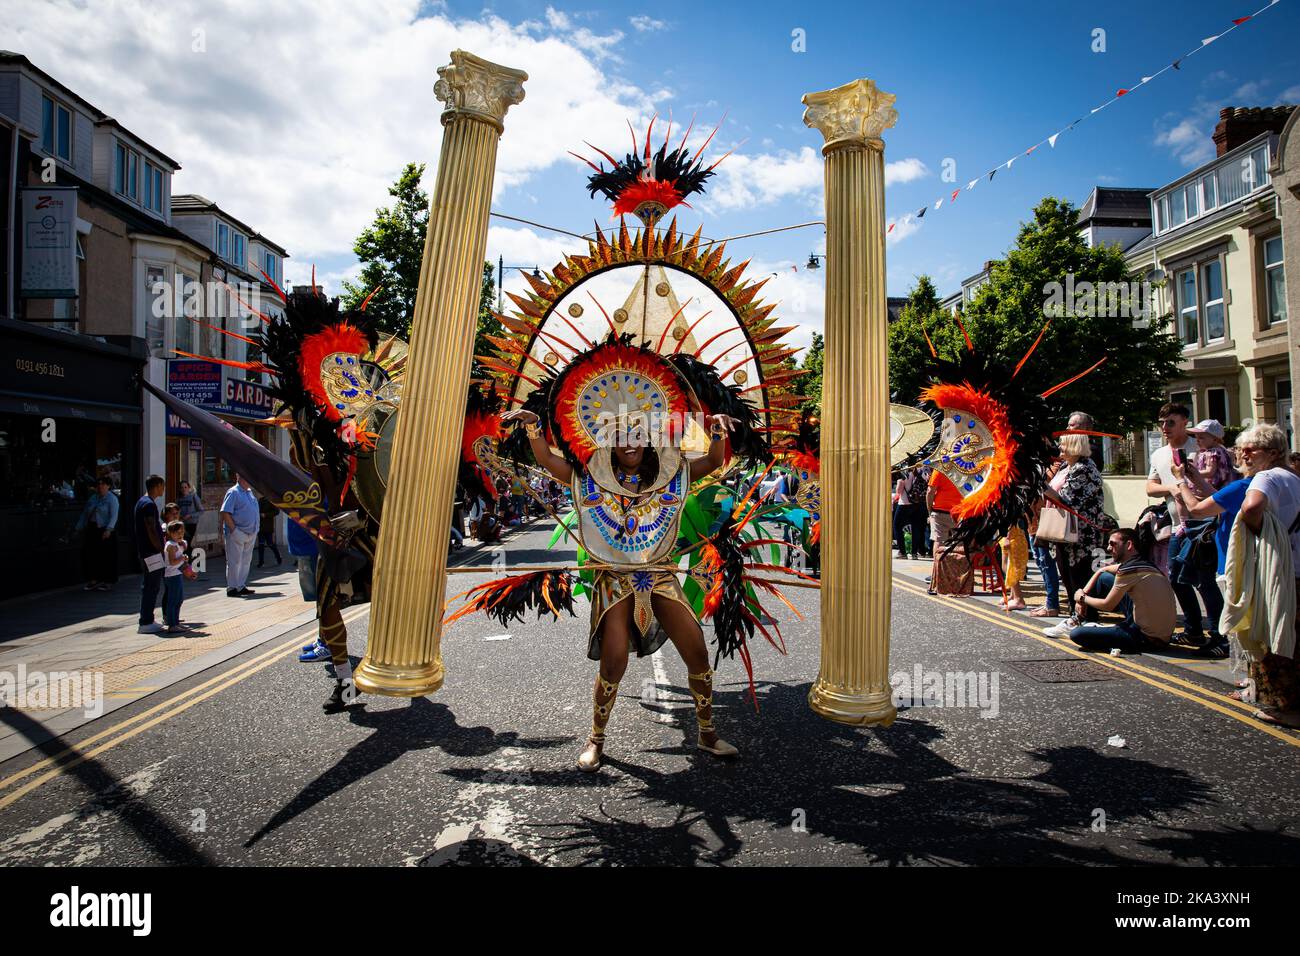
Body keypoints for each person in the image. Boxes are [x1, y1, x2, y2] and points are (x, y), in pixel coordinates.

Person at [502, 404, 742, 772]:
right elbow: (550, 461)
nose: (629, 445)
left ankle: (706, 733)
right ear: (611, 444)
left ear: (647, 442)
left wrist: (718, 431)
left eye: (636, 438)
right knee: (614, 661)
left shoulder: (670, 473)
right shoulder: (593, 476)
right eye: (621, 438)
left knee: (696, 650)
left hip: (658, 574)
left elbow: (711, 461)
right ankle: (595, 739)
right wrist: (535, 428)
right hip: (614, 577)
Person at [1177, 423, 1300, 724]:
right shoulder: (1294, 478)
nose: (1243, 453)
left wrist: (1254, 526)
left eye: (1251, 449)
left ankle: (1285, 708)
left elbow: (1252, 506)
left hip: (1273, 570)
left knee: (1267, 635)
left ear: (1273, 453)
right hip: (1295, 567)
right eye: (1242, 447)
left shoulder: (1265, 477)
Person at [1065, 528, 1175, 652]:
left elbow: (1108, 605)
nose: (1108, 548)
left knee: (1077, 634)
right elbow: (1102, 570)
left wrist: (1082, 598)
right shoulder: (1143, 563)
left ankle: (1088, 622)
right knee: (1104, 578)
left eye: (1113, 544)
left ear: (1128, 545)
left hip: (1147, 638)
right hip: (1161, 634)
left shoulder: (1129, 570)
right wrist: (1083, 592)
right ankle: (1084, 619)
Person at [1042, 434, 1107, 636]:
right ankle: (1075, 616)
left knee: (1080, 577)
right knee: (1069, 577)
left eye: (1063, 445)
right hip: (1065, 532)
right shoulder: (1065, 467)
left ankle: (1086, 619)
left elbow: (1067, 500)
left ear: (1075, 446)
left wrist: (1040, 485)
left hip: (1082, 536)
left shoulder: (1084, 469)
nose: (1059, 448)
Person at [1146, 402, 1199, 575]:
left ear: (1185, 421)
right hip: (1177, 526)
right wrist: (1171, 488)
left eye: (1170, 422)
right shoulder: (1159, 454)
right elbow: (1150, 488)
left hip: (1203, 524)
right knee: (1175, 577)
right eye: (1162, 422)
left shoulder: (1200, 447)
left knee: (1203, 581)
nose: (1164, 427)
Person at [134, 475, 167, 634]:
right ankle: (146, 621)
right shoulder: (148, 505)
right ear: (157, 486)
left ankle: (147, 619)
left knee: (149, 585)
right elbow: (151, 529)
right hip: (151, 553)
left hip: (147, 551)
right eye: (163, 486)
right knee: (151, 587)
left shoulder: (143, 502)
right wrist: (161, 549)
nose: (163, 489)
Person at [926, 463, 965, 594]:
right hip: (959, 511)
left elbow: (930, 492)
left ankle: (937, 577)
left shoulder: (940, 468)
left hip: (940, 511)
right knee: (958, 544)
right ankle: (956, 577)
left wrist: (930, 511)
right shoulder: (964, 467)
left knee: (939, 541)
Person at [75, 477, 119, 591]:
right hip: (93, 528)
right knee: (90, 554)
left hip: (105, 529)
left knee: (106, 556)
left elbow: (114, 515)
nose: (100, 487)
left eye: (103, 484)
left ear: (108, 486)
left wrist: (109, 529)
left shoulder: (112, 499)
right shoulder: (93, 498)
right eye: (98, 484)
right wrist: (79, 527)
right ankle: (93, 579)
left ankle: (108, 580)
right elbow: (85, 514)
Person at [221, 474, 259, 597]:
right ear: (239, 477)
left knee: (246, 561)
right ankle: (232, 587)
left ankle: (240, 585)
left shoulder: (249, 492)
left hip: (250, 532)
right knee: (234, 561)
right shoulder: (233, 492)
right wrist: (234, 530)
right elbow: (225, 512)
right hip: (238, 532)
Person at [1190, 419, 1236, 491]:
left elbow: (1210, 472)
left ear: (1215, 439)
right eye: (1196, 437)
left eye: (1201, 437)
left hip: (1214, 486)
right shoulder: (1222, 450)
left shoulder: (1212, 452)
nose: (1197, 440)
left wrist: (1192, 473)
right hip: (1225, 485)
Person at [162, 520, 190, 634]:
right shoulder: (171, 546)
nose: (180, 535)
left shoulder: (177, 544)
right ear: (170, 533)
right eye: (177, 533)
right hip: (172, 575)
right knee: (173, 600)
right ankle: (172, 624)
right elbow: (172, 562)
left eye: (182, 532)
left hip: (177, 573)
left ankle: (175, 622)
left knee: (179, 599)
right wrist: (182, 559)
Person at [893, 467, 926, 559]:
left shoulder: (904, 474)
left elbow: (899, 491)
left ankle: (902, 552)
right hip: (917, 504)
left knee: (897, 526)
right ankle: (914, 553)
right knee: (916, 528)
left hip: (904, 504)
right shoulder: (921, 472)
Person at [177, 480, 203, 555]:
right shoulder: (179, 499)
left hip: (191, 523)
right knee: (183, 543)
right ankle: (191, 559)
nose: (184, 489)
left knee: (187, 541)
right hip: (182, 524)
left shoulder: (193, 496)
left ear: (189, 488)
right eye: (182, 487)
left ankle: (192, 559)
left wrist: (190, 515)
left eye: (185, 487)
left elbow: (201, 511)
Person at [256, 494, 282, 568]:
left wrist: (266, 515)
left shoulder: (272, 501)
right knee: (261, 544)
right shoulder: (260, 500)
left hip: (268, 526)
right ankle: (261, 562)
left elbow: (277, 511)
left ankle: (278, 557)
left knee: (270, 543)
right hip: (260, 526)